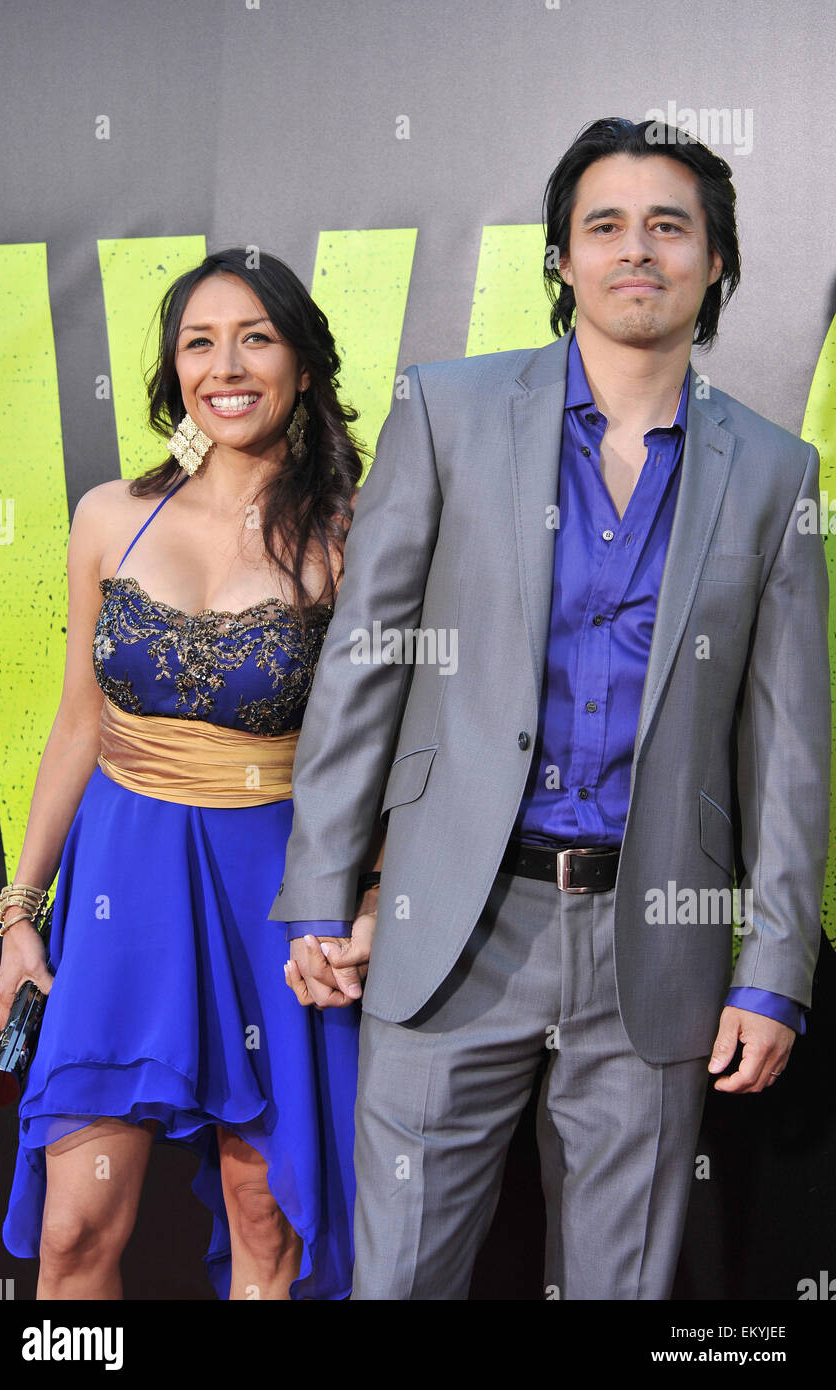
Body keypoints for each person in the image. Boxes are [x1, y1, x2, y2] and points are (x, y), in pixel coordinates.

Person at [271, 118, 831, 1299]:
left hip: (657, 947)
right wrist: (322, 884)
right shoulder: (451, 412)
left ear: (716, 261)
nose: (640, 251)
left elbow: (789, 746)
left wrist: (773, 966)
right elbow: (367, 661)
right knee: (401, 1281)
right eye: (606, 226)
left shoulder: (778, 473)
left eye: (670, 226)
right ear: (562, 258)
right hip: (451, 931)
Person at [0, 246, 368, 1300]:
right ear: (173, 371)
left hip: (277, 892)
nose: (227, 363)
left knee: (268, 1217)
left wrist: (364, 896)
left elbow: (386, 748)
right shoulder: (110, 513)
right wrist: (22, 909)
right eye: (200, 341)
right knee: (72, 1234)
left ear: (302, 363)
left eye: (256, 335)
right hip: (123, 887)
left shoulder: (353, 531)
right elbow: (77, 723)